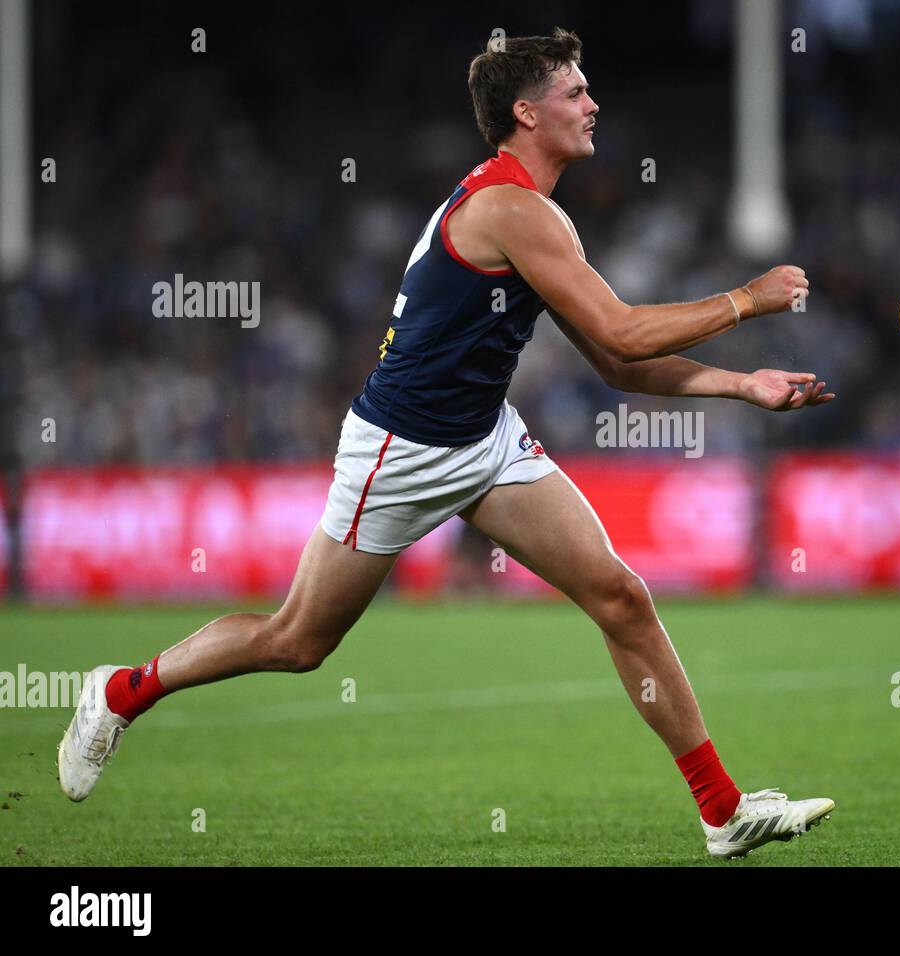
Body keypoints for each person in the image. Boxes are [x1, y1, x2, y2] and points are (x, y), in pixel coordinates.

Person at [59, 28, 837, 860]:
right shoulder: (507, 209)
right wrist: (746, 300)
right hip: (400, 449)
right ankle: (120, 691)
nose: (593, 103)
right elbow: (621, 326)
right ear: (525, 112)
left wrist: (739, 385)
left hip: (484, 440)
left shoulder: (539, 215)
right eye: (575, 92)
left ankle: (722, 813)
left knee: (620, 596)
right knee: (298, 643)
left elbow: (615, 363)